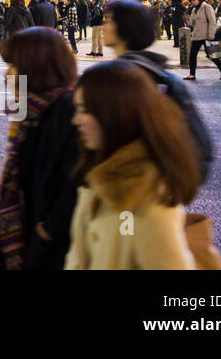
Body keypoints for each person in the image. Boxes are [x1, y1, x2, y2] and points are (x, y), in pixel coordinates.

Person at [64, 60, 202, 269]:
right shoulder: (101, 174)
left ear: (114, 114)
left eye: (84, 110)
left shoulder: (148, 198)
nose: (76, 120)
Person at [0, 27, 79, 270]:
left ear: (35, 69)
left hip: (57, 251)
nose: (7, 74)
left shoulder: (67, 111)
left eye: (14, 66)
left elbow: (78, 183)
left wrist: (47, 231)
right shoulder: (31, 112)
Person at [102, 0, 213, 183]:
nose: (103, 27)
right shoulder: (160, 74)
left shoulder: (121, 78)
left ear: (125, 27)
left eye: (109, 21)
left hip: (130, 189)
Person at [184, 0, 221, 81]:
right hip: (197, 35)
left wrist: (211, 34)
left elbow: (212, 21)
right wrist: (188, 18)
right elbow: (192, 23)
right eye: (191, 0)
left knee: (212, 55)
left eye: (194, 0)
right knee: (192, 55)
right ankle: (192, 74)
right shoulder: (194, 9)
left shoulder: (207, 7)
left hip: (207, 35)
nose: (193, 2)